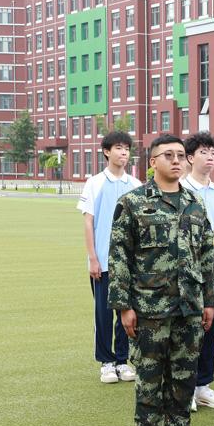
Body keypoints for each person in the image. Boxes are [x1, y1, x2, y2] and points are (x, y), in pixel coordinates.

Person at [108, 134, 214, 426]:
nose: (177, 160)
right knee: (150, 376)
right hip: (149, 308)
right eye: (168, 155)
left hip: (189, 306)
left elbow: (206, 256)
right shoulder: (133, 202)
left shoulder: (195, 203)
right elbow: (119, 256)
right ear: (152, 162)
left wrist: (209, 301)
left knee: (183, 375)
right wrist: (124, 306)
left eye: (181, 155)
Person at [78, 130, 141, 383]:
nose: (123, 153)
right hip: (103, 261)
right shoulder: (95, 183)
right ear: (106, 151)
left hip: (130, 263)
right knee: (103, 314)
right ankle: (106, 362)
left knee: (126, 312)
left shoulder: (135, 185)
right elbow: (88, 222)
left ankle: (122, 360)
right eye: (118, 148)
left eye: (126, 148)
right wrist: (93, 258)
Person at [182, 133, 214, 412]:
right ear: (190, 157)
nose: (210, 157)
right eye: (203, 152)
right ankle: (185, 388)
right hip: (189, 271)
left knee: (211, 330)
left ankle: (202, 386)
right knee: (188, 330)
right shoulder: (182, 190)